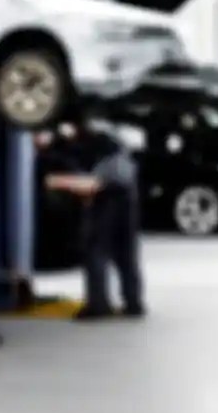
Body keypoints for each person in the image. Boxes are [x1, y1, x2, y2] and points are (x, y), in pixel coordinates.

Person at [43, 117, 146, 320]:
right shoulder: (109, 134)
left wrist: (55, 182)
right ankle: (133, 302)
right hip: (126, 195)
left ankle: (98, 305)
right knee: (126, 253)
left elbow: (91, 183)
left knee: (95, 250)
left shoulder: (85, 142)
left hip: (106, 196)